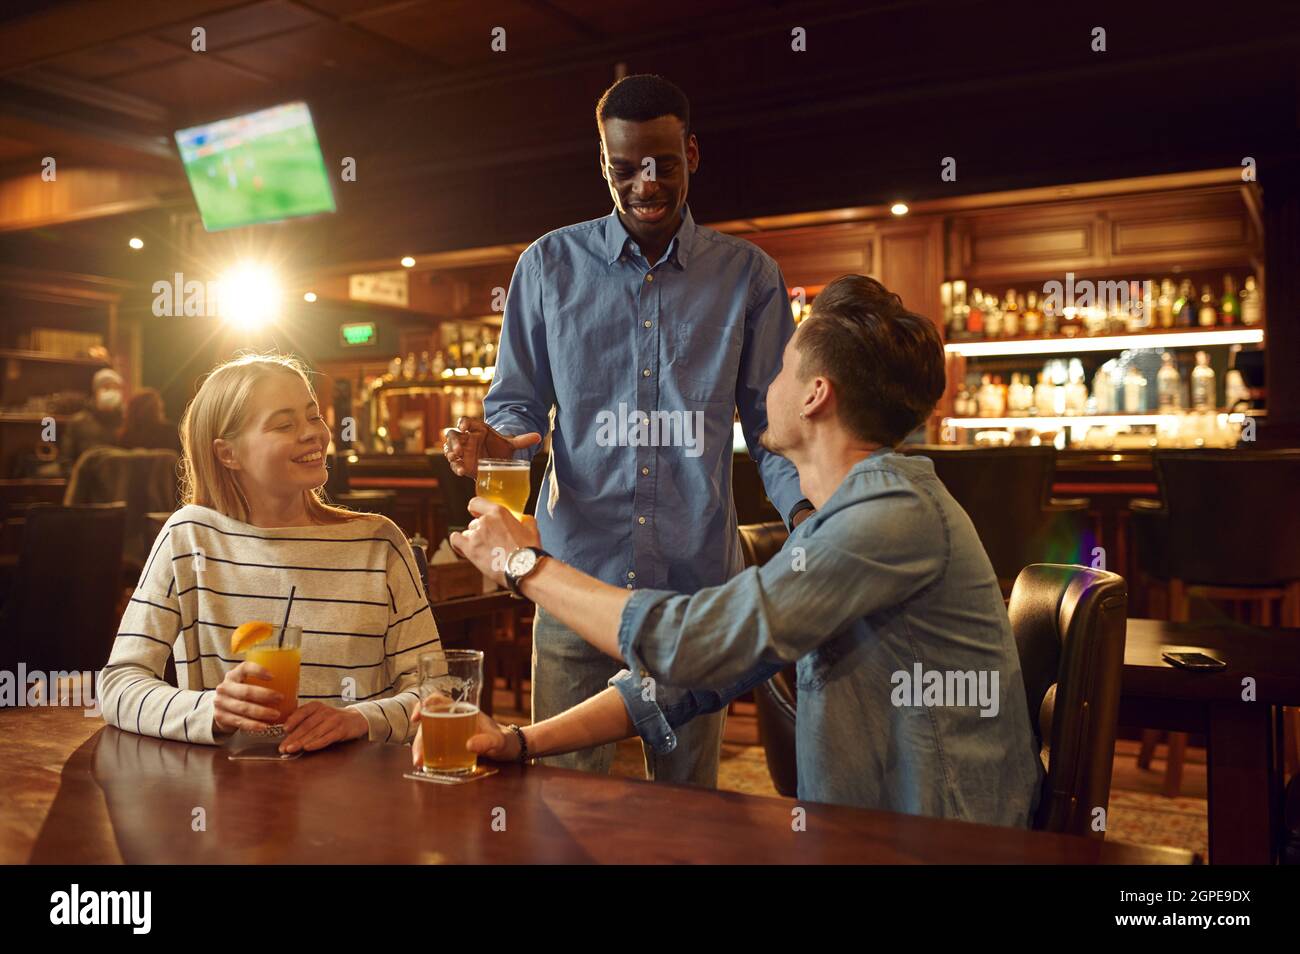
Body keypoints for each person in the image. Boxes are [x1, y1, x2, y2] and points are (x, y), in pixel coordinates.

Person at [426, 275, 1044, 827]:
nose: (764, 386)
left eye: (779, 371)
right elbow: (684, 680)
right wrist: (520, 740)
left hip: (945, 839)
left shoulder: (891, 514)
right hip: (873, 831)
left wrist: (523, 565)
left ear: (813, 396)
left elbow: (692, 643)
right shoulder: (851, 516)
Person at [444, 74, 812, 789]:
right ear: (601, 165)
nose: (645, 183)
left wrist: (807, 518)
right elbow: (515, 408)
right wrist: (496, 443)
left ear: (693, 154)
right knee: (558, 800)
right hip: (573, 585)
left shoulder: (750, 278)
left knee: (687, 810)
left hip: (694, 598)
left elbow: (778, 428)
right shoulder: (546, 267)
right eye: (625, 167)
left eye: (663, 163)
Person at [100, 354, 438, 753]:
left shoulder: (379, 543)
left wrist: (358, 720)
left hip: (357, 796)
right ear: (228, 454)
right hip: (226, 799)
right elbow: (120, 685)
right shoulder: (189, 539)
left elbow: (435, 691)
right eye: (284, 425)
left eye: (314, 417)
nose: (313, 434)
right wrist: (211, 710)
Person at [61, 367, 125, 473]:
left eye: (116, 388)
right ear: (96, 391)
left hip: (116, 485)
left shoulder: (126, 422)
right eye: (106, 387)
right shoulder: (78, 422)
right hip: (87, 483)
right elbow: (66, 461)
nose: (112, 392)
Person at [119, 387, 182, 455]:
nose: (162, 405)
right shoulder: (171, 433)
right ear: (156, 409)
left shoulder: (124, 437)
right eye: (161, 409)